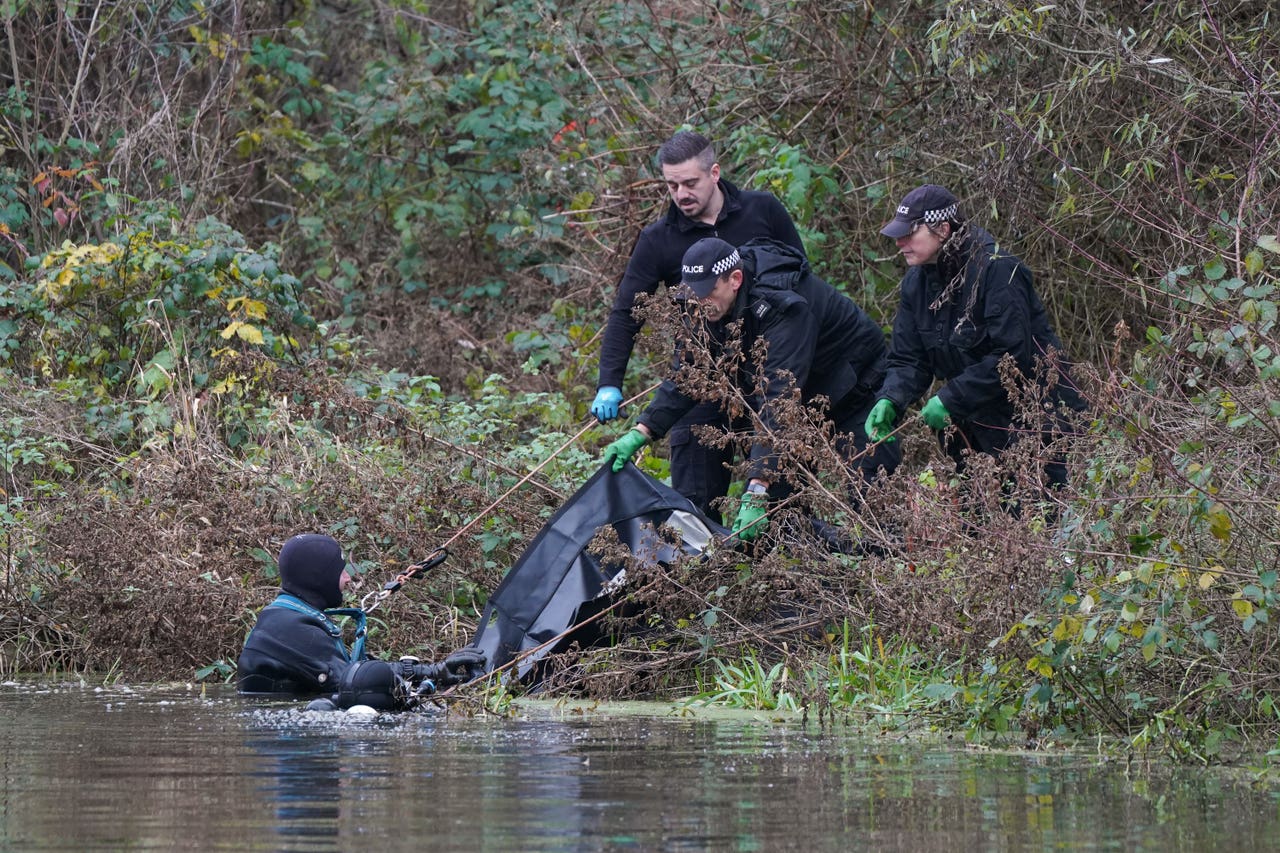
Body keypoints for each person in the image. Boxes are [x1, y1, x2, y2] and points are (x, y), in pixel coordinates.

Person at [601, 237, 900, 542]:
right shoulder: (704, 307)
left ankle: (885, 562)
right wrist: (642, 432)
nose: (699, 303)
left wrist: (757, 486)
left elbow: (779, 396)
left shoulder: (783, 304)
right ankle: (817, 565)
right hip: (797, 403)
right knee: (776, 520)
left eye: (707, 293)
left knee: (876, 506)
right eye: (693, 295)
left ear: (735, 279)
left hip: (853, 389)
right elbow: (690, 373)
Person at [591, 130, 806, 523]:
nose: (681, 193)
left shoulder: (763, 211)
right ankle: (707, 580)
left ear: (715, 173)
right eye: (672, 185)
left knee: (778, 499)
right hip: (700, 377)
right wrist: (610, 381)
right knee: (692, 506)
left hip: (764, 374)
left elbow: (800, 283)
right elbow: (627, 311)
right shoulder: (659, 240)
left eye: (690, 183)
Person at [865, 184, 1085, 491]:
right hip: (976, 432)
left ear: (942, 229)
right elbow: (909, 358)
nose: (899, 243)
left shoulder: (998, 271)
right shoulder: (915, 283)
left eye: (909, 234)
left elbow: (1012, 356)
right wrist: (891, 397)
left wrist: (951, 398)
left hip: (1040, 423)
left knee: (1046, 519)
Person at [237, 533, 486, 710]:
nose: (347, 578)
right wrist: (431, 676)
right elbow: (357, 681)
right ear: (318, 578)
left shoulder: (289, 617)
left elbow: (355, 670)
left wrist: (435, 671)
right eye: (340, 570)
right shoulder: (288, 627)